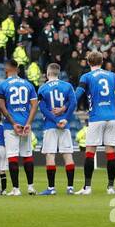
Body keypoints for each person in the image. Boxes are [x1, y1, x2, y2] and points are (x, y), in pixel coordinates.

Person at [75, 50, 115, 195]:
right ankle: (111, 187)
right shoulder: (112, 76)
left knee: (90, 151)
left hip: (96, 117)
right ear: (102, 62)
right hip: (112, 118)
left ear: (88, 62)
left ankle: (87, 187)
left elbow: (78, 94)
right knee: (111, 152)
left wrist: (66, 107)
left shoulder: (86, 76)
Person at [0, 59, 38, 195]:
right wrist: (28, 123)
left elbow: (1, 106)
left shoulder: (2, 85)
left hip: (10, 126)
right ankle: (30, 187)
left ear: (6, 69)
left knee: (12, 156)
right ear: (17, 69)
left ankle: (16, 189)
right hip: (25, 125)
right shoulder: (28, 84)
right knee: (27, 155)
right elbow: (35, 105)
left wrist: (13, 123)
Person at [36, 62, 77, 195]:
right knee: (67, 154)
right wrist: (64, 118)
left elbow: (42, 108)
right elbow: (73, 103)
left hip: (50, 125)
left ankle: (51, 188)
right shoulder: (67, 86)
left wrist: (55, 120)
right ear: (58, 73)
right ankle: (70, 187)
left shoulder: (42, 88)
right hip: (65, 125)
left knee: (50, 154)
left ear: (48, 74)